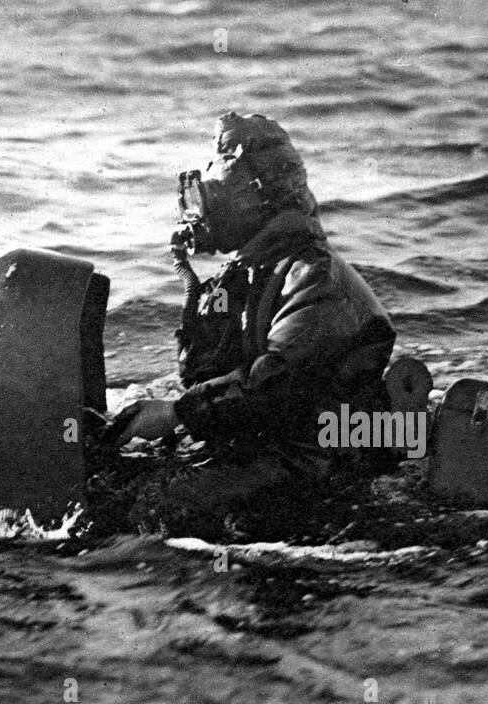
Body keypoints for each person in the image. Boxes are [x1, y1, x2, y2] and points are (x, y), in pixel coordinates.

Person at [104, 112, 397, 527]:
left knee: (157, 509)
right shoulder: (251, 274)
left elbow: (275, 384)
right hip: (262, 448)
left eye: (213, 194)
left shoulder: (317, 280)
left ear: (255, 198)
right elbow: (207, 373)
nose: (201, 209)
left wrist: (177, 413)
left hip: (317, 465)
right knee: (117, 481)